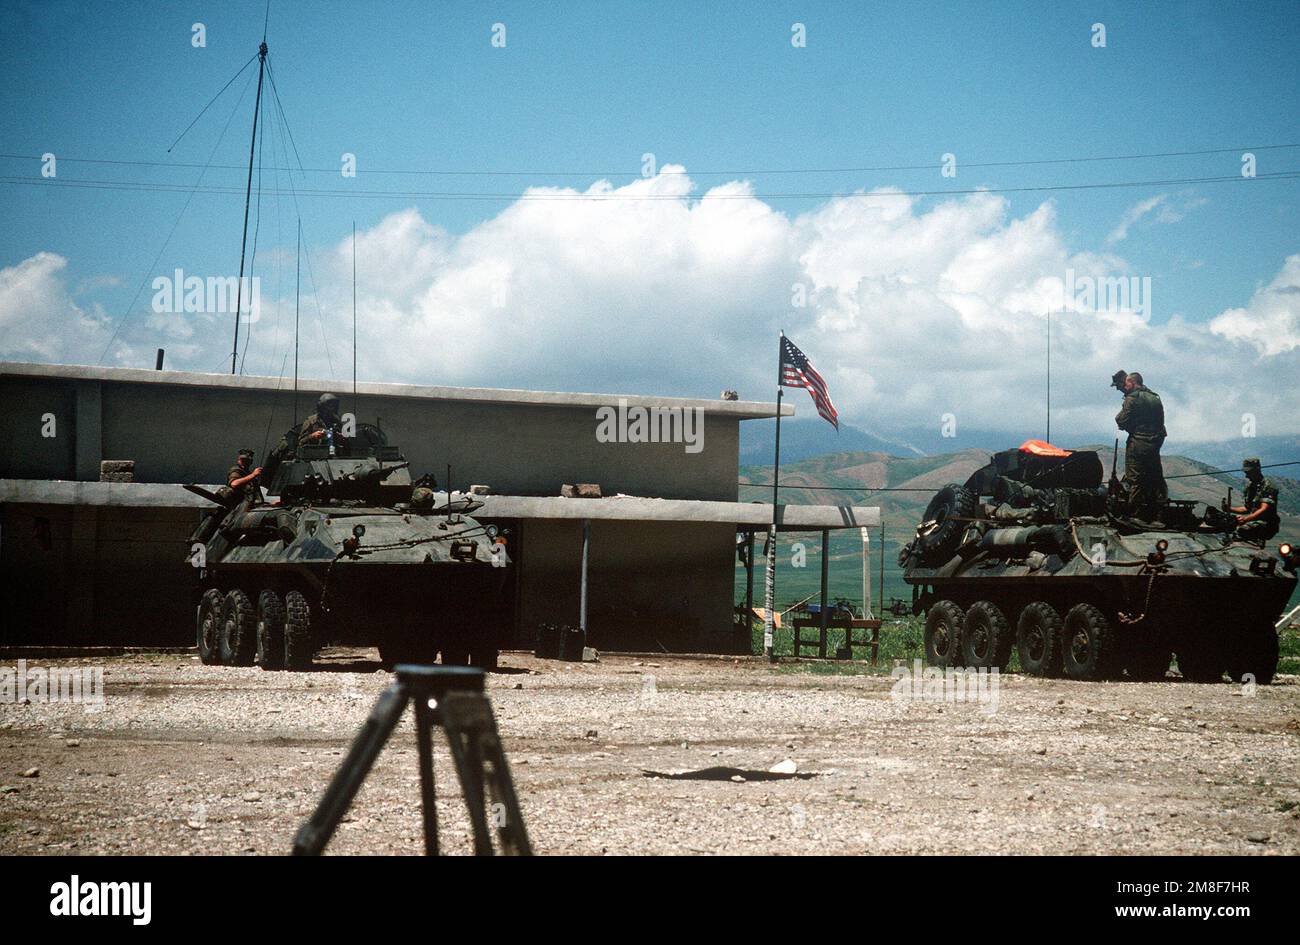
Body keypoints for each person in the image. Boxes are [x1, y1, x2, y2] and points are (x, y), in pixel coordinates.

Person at [1113, 370, 1168, 523]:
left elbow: (1121, 420)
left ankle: (1135, 514)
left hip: (1138, 442)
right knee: (1155, 476)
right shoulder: (1155, 397)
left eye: (1126, 384)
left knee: (1135, 478)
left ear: (1132, 382)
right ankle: (1158, 512)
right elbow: (1160, 422)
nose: (1124, 386)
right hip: (1155, 442)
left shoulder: (1132, 398)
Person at [1231, 457, 1280, 544]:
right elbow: (1247, 508)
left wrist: (1246, 519)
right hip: (1253, 521)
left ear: (1257, 470)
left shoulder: (1268, 485)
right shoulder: (1251, 487)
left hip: (1266, 525)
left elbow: (1264, 509)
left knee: (1240, 530)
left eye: (1249, 472)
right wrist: (1229, 509)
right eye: (1246, 472)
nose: (1246, 475)